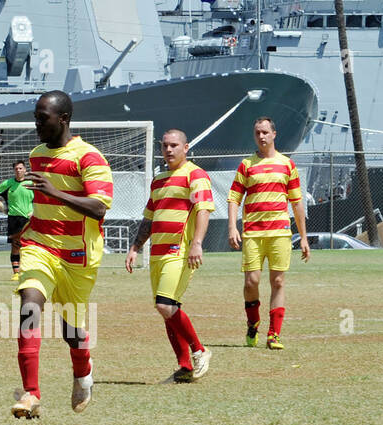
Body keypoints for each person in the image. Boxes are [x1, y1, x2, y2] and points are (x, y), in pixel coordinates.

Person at [11, 90, 113, 419]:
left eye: (43, 119)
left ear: (63, 119)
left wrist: (56, 191)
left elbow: (98, 208)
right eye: (35, 118)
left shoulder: (89, 158)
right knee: (29, 307)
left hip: (78, 257)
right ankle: (31, 393)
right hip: (39, 247)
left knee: (72, 332)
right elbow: (44, 206)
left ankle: (83, 374)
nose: (37, 124)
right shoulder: (37, 154)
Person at [125, 129, 214, 382]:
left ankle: (200, 350)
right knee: (167, 309)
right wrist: (135, 247)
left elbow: (203, 210)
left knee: (165, 305)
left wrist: (197, 243)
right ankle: (185, 368)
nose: (169, 150)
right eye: (165, 145)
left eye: (174, 145)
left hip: (180, 252)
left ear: (186, 148)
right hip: (157, 254)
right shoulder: (159, 180)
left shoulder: (195, 175)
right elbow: (149, 218)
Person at [227, 116, 309, 350]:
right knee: (252, 282)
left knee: (278, 281)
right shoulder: (247, 165)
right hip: (252, 232)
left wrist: (303, 237)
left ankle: (274, 335)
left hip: (280, 232)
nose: (261, 136)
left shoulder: (287, 165)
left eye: (265, 132)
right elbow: (234, 198)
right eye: (257, 133)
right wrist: (232, 226)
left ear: (274, 134)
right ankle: (253, 323)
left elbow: (296, 203)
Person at [0, 161, 33, 282]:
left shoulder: (31, 183)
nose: (18, 170)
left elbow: (41, 197)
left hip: (29, 219)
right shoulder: (8, 183)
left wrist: (34, 211)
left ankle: (29, 271)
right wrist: (0, 205)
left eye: (20, 168)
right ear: (14, 171)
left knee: (30, 246)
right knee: (15, 246)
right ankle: (16, 273)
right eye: (16, 169)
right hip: (14, 218)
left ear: (25, 170)